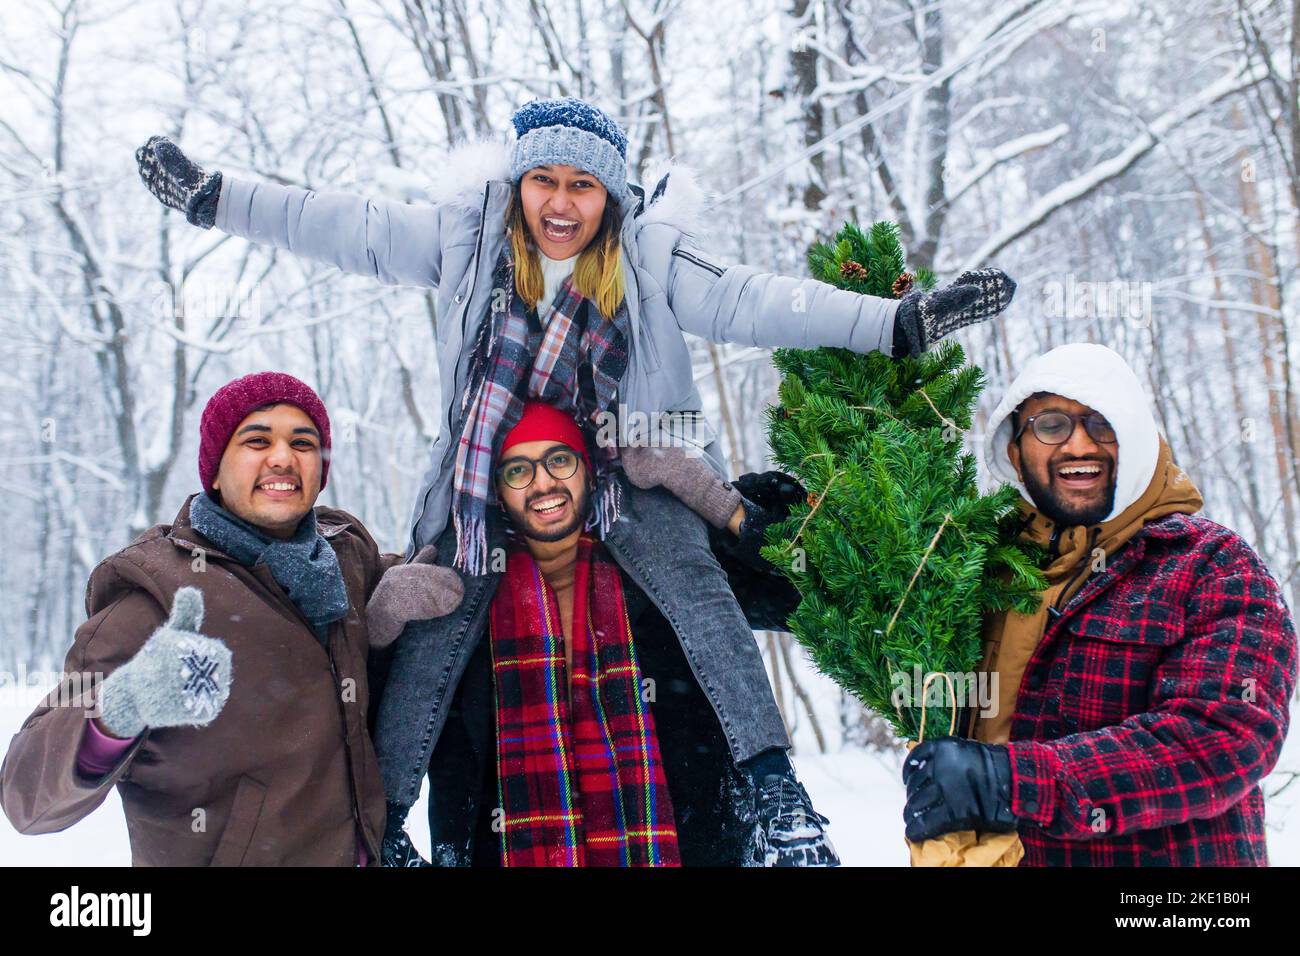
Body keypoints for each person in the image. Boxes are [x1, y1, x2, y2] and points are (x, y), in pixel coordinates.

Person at [134, 95, 1015, 852]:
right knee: (435, 629)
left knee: (695, 586)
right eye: (544, 180)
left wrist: (896, 323)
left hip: (625, 474)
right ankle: (391, 826)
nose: (561, 203)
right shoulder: (464, 236)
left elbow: (756, 299)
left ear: (610, 194)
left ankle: (771, 789)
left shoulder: (649, 258)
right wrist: (216, 198)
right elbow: (338, 224)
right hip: (484, 488)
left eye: (582, 185)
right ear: (519, 184)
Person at [0, 372, 459, 865]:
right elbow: (27, 799)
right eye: (256, 440)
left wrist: (381, 620)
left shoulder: (345, 558)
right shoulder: (156, 594)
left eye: (302, 443)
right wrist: (121, 708)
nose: (283, 457)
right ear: (215, 471)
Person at [370, 400, 835, 866]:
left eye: (559, 460)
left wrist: (719, 503)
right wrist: (379, 625)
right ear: (498, 492)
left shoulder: (663, 565)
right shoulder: (460, 604)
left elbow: (821, 582)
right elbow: (356, 717)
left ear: (589, 472)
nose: (543, 483)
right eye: (518, 470)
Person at [900, 343, 1298, 865]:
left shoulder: (1211, 564)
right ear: (1016, 450)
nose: (1078, 446)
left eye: (1101, 424)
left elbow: (1223, 738)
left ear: (1135, 439)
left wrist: (1009, 780)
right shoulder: (974, 565)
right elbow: (852, 599)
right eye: (1051, 425)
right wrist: (774, 530)